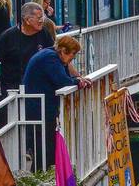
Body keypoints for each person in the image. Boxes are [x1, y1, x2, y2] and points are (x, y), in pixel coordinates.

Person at [22, 35, 90, 170]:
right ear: (63, 50)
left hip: (40, 106)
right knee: (44, 145)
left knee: (46, 144)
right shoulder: (51, 58)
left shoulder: (51, 55)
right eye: (72, 55)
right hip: (39, 108)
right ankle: (41, 173)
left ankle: (44, 171)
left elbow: (64, 76)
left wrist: (77, 79)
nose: (72, 59)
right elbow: (62, 81)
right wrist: (78, 81)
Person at [0, 2, 51, 92]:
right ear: (27, 20)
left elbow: (56, 54)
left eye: (42, 17)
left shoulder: (44, 33)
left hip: (38, 88)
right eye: (39, 18)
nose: (41, 21)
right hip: (12, 90)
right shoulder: (8, 36)